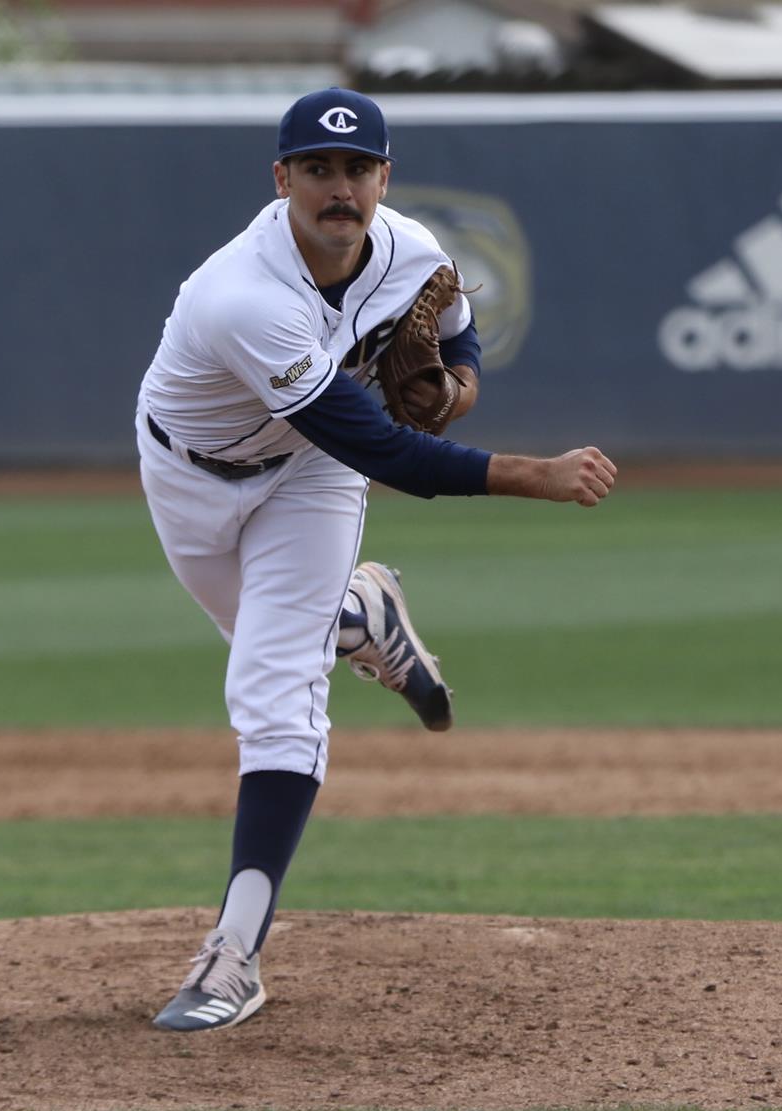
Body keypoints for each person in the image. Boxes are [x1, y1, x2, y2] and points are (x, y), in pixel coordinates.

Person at [136, 89, 616, 1031]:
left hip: (312, 477)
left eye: (358, 169)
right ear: (283, 182)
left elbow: (453, 333)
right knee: (269, 640)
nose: (341, 188)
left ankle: (233, 957)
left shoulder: (410, 247)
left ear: (383, 177)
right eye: (317, 168)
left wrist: (461, 380)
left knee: (274, 691)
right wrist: (534, 475)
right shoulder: (242, 296)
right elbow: (390, 453)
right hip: (189, 475)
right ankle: (361, 618)